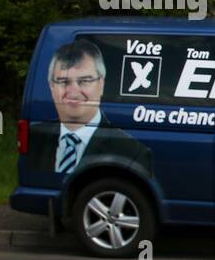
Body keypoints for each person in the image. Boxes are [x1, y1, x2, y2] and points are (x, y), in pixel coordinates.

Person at [27, 40, 154, 178]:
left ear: (101, 84)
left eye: (85, 81)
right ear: (52, 87)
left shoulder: (132, 153)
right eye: (63, 82)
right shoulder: (34, 138)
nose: (74, 92)